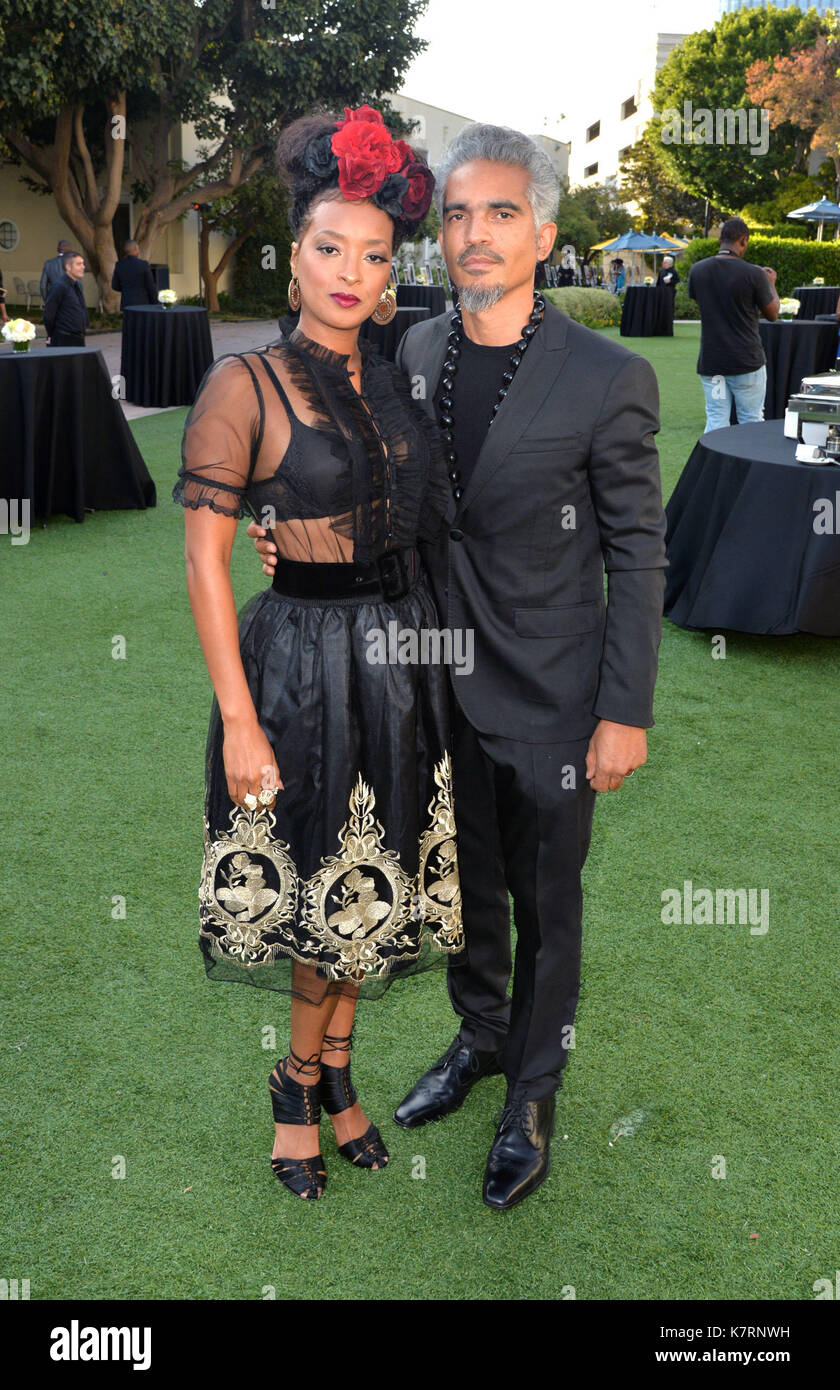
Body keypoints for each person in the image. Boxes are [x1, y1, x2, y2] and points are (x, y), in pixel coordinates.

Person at [252, 122, 667, 1211]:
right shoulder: (421, 352)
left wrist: (624, 709)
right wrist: (289, 530)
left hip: (556, 699)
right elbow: (385, 493)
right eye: (456, 215)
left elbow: (637, 549)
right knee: (467, 893)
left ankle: (533, 1089)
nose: (473, 236)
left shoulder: (609, 377)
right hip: (434, 684)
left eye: (498, 213)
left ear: (543, 227)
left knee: (546, 903)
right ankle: (481, 1036)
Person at [173, 105, 461, 1203]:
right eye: (330, 248)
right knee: (317, 891)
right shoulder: (241, 387)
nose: (352, 272)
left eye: (374, 255)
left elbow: (406, 514)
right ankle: (296, 1083)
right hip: (298, 664)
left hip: (397, 662)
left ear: (394, 271)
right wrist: (240, 719)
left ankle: (339, 1069)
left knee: (372, 885)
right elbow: (205, 562)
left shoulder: (391, 378)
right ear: (292, 256)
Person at [687, 216, 779, 432]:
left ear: (720, 240)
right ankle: (751, 467)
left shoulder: (697, 270)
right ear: (744, 241)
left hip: (712, 361)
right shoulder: (754, 274)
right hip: (746, 361)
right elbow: (773, 314)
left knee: (716, 419)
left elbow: (714, 303)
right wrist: (771, 284)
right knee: (751, 420)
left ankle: (714, 466)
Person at [43, 251, 89, 347]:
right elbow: (49, 314)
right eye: (79, 264)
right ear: (68, 267)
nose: (83, 267)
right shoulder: (59, 286)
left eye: (83, 263)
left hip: (78, 338)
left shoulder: (77, 284)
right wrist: (50, 335)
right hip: (64, 340)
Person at [111, 240, 157, 308]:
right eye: (138, 249)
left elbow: (115, 286)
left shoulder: (119, 265)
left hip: (126, 304)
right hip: (142, 304)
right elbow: (150, 286)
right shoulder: (143, 264)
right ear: (135, 249)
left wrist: (126, 289)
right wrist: (155, 302)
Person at [40, 239, 73, 305]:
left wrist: (47, 301)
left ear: (58, 249)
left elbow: (43, 286)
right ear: (69, 249)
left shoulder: (48, 264)